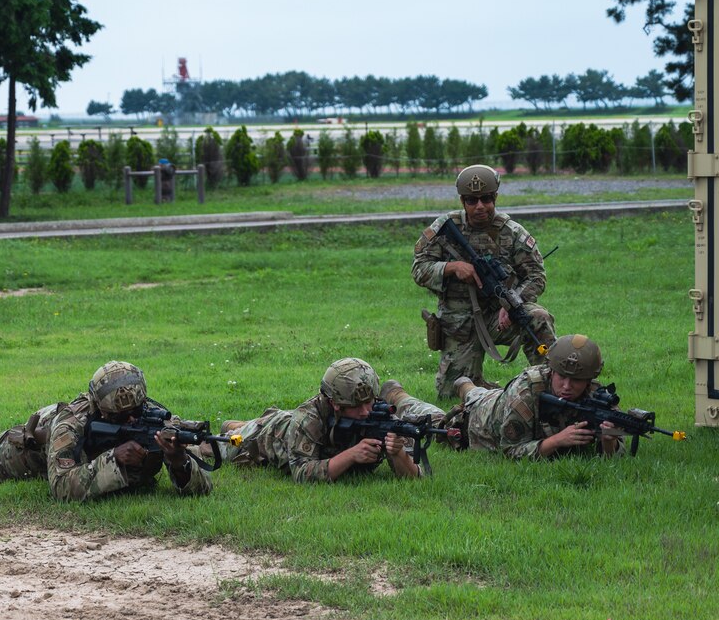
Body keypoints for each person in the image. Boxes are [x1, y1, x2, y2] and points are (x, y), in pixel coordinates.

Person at [0, 361, 212, 501]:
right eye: (123, 417)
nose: (134, 421)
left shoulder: (153, 417)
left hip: (77, 451)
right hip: (28, 449)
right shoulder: (71, 422)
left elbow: (201, 488)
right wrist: (114, 461)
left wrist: (178, 458)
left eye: (137, 412)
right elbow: (60, 488)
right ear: (102, 409)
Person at [412, 164, 556, 398]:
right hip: (459, 326)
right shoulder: (445, 229)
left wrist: (511, 304)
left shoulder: (512, 233)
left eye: (486, 199)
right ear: (462, 201)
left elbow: (536, 275)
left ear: (495, 197)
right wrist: (451, 267)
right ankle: (496, 393)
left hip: (498, 319)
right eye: (472, 200)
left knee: (538, 318)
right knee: (451, 395)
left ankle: (549, 385)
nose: (480, 206)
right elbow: (419, 268)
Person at [218, 358, 443, 481]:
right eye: (357, 406)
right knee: (224, 444)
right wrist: (351, 455)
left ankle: (239, 423)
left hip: (293, 428)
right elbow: (301, 474)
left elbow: (415, 478)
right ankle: (235, 428)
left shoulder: (384, 419)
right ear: (335, 403)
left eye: (370, 402)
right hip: (268, 436)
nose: (367, 411)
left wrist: (398, 453)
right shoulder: (307, 418)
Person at [445, 334, 625, 460]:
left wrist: (609, 441)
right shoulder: (525, 394)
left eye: (577, 380)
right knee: (474, 399)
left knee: (485, 393)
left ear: (589, 379)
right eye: (562, 377)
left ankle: (469, 387)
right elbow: (510, 450)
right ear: (551, 371)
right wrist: (557, 441)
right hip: (482, 418)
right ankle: (465, 386)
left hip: (500, 399)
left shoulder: (598, 397)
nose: (567, 386)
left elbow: (614, 456)